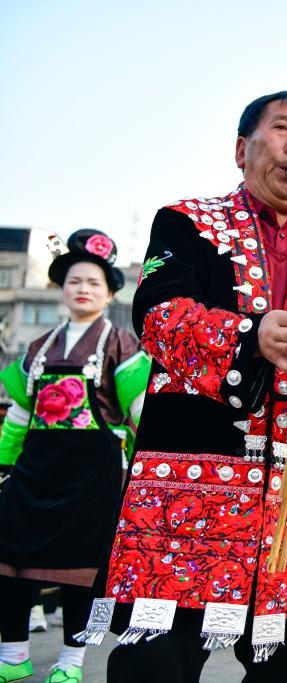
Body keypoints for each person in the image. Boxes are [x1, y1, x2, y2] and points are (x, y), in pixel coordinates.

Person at [81, 91, 287, 683]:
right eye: (282, 127)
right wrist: (255, 336)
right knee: (156, 662)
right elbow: (157, 313)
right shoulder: (186, 222)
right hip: (190, 484)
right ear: (240, 149)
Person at [0, 230, 149, 683]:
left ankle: (71, 660)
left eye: (94, 282)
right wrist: (5, 464)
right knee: (10, 563)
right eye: (74, 281)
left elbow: (141, 412)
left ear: (109, 293)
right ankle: (13, 655)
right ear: (61, 288)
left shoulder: (120, 345)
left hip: (94, 473)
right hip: (34, 469)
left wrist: (144, 471)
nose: (83, 289)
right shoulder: (38, 347)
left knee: (79, 572)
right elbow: (19, 415)